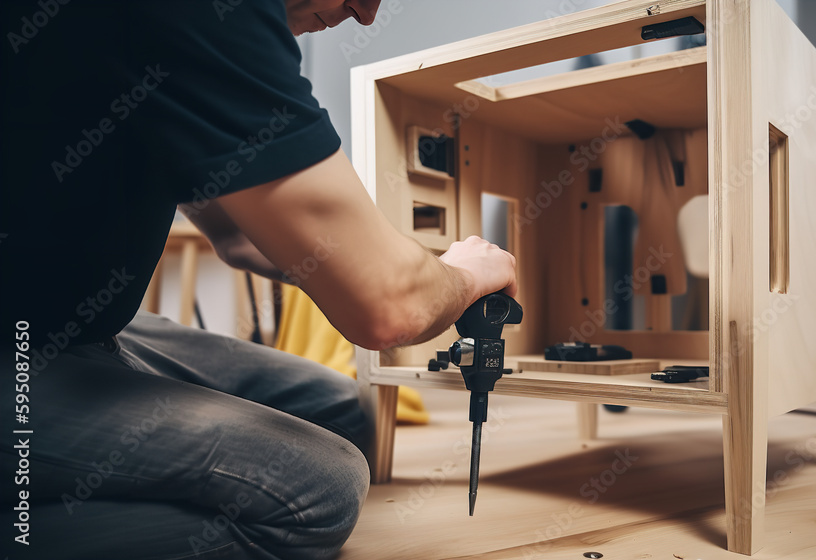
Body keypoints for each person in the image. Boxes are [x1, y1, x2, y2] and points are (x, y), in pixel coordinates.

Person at [0, 0, 517, 558]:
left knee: (349, 413)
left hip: (69, 326)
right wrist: (464, 276)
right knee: (319, 490)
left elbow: (238, 236)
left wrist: (400, 270)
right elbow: (388, 309)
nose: (367, 13)